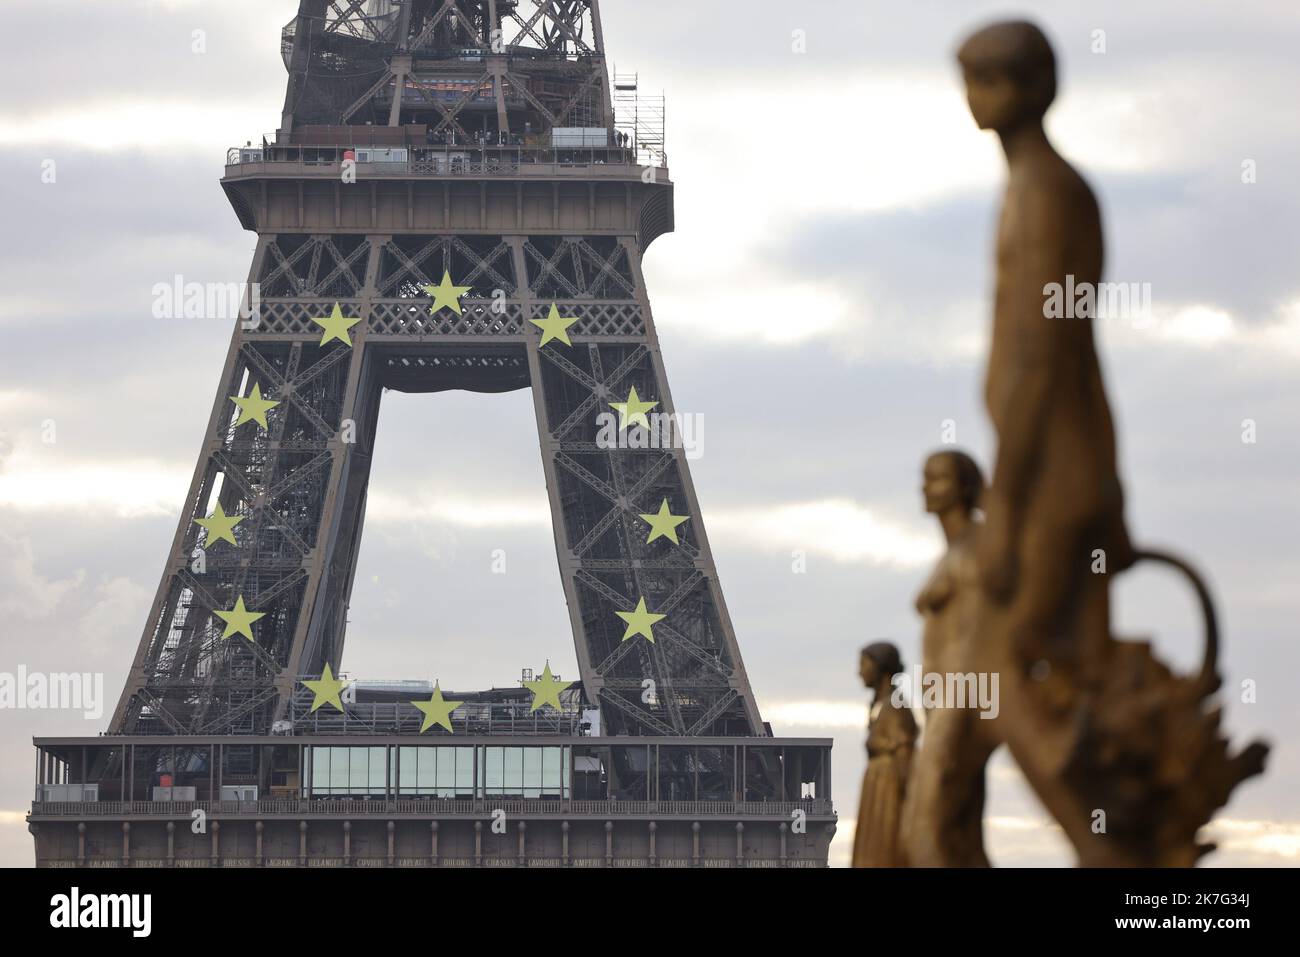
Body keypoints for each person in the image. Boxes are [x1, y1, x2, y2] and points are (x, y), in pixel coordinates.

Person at [901, 450, 994, 867]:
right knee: (958, 832)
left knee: (924, 826)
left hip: (964, 693)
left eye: (936, 479)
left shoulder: (976, 548)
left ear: (965, 489)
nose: (925, 487)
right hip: (941, 697)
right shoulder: (954, 551)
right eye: (925, 477)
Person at [852, 642, 917, 867]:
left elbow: (906, 753)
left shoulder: (896, 708)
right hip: (878, 785)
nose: (859, 671)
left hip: (888, 787)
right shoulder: (880, 707)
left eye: (863, 664)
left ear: (880, 668)